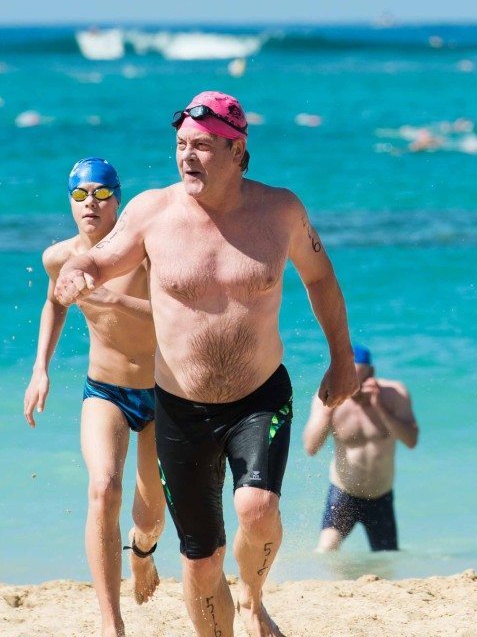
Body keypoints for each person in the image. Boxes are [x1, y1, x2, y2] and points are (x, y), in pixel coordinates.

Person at [53, 91, 360, 637]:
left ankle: (252, 600)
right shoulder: (152, 211)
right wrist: (79, 271)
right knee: (200, 564)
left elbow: (320, 278)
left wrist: (341, 359)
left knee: (257, 508)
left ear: (236, 150)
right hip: (179, 409)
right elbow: (100, 257)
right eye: (180, 145)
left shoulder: (281, 211)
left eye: (201, 146)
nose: (186, 156)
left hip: (259, 395)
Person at [23, 157, 165, 637]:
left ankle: (142, 554)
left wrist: (113, 299)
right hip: (104, 389)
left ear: (117, 201)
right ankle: (111, 623)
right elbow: (54, 303)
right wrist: (40, 369)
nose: (91, 203)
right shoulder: (58, 258)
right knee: (103, 488)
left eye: (102, 194)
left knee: (150, 519)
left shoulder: (142, 251)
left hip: (162, 392)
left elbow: (174, 313)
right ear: (70, 201)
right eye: (81, 194)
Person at [303, 344, 418, 552]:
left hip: (380, 495)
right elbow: (310, 447)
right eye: (348, 380)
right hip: (344, 492)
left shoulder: (395, 394)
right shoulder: (327, 398)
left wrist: (380, 407)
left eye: (357, 381)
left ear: (371, 374)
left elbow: (411, 440)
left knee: (387, 558)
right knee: (326, 549)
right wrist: (328, 410)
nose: (352, 388)